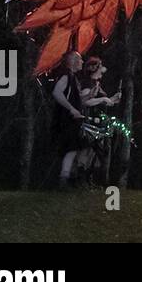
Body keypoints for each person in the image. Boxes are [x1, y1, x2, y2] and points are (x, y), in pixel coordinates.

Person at [77, 56, 122, 185]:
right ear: (93, 68)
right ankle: (81, 180)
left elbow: (104, 102)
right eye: (100, 65)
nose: (102, 68)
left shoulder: (97, 83)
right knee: (88, 149)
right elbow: (86, 102)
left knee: (95, 152)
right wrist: (103, 100)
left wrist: (113, 99)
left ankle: (89, 179)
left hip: (98, 121)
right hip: (89, 120)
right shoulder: (87, 83)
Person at [51, 50, 86, 188]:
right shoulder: (66, 76)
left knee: (73, 148)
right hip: (66, 120)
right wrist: (71, 109)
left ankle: (67, 177)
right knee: (71, 148)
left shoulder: (72, 77)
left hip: (71, 120)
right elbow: (57, 92)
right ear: (73, 61)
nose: (82, 62)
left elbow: (75, 98)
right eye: (80, 59)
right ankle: (64, 178)